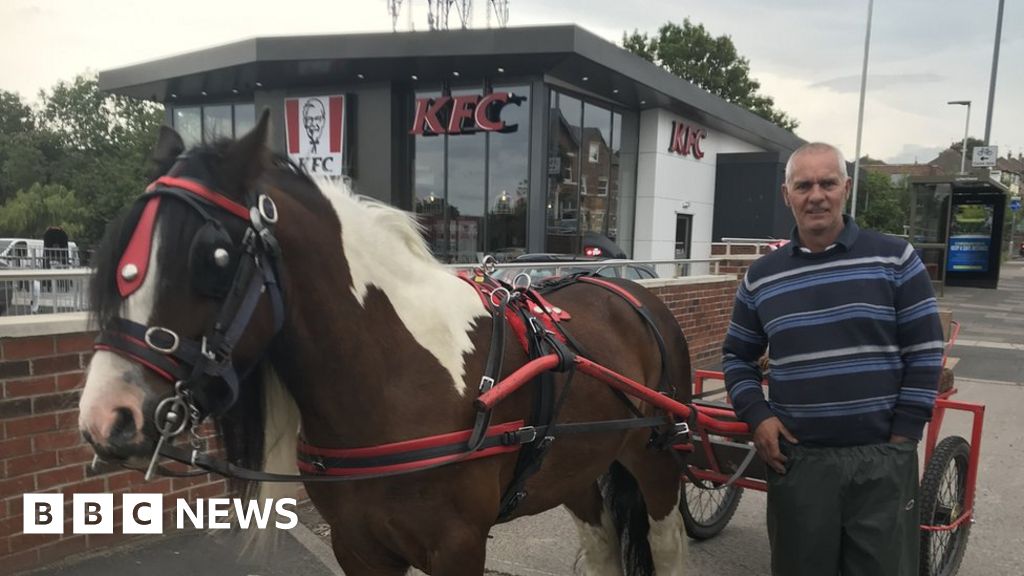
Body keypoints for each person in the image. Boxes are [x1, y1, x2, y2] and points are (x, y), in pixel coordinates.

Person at [722, 142, 944, 575]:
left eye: (827, 183)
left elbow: (925, 349)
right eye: (803, 185)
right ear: (787, 195)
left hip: (881, 459)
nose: (816, 195)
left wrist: (903, 435)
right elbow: (737, 355)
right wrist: (758, 416)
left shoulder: (895, 259)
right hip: (799, 464)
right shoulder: (762, 277)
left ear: (846, 187)